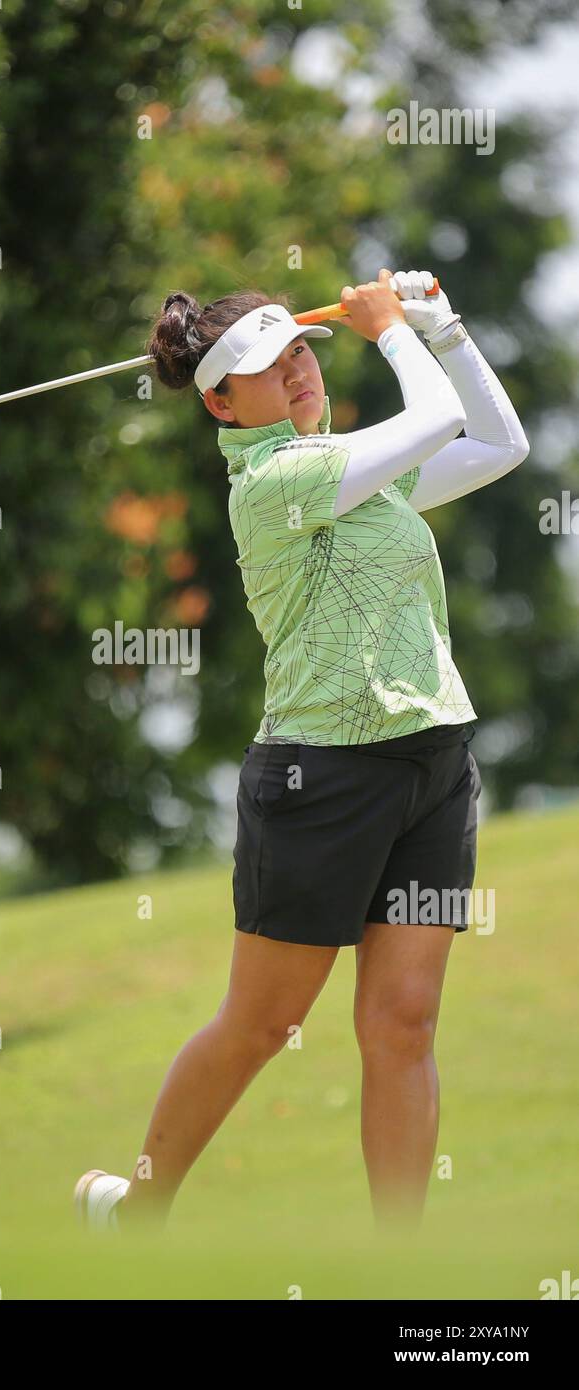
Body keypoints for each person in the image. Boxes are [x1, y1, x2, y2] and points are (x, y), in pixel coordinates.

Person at [74, 268, 529, 1235]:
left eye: (301, 353)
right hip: (319, 778)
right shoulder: (276, 482)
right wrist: (393, 332)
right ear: (223, 403)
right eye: (268, 367)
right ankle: (139, 1209)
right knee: (264, 1026)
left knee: (403, 1025)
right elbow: (432, 419)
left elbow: (497, 442)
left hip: (435, 763)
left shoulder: (359, 462)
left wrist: (444, 328)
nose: (297, 373)